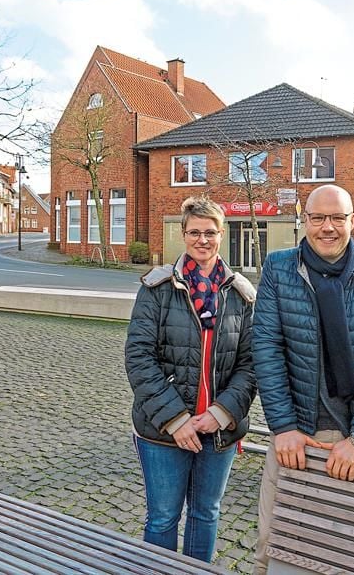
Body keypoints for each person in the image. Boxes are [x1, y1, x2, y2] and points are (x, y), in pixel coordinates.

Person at [252, 184, 354, 573]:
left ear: (353, 221)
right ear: (304, 221)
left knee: (351, 551)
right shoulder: (278, 268)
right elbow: (267, 349)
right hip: (296, 437)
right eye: (318, 217)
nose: (328, 227)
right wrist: (283, 426)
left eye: (338, 217)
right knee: (275, 547)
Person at [124, 196, 257, 563]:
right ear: (183, 234)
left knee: (205, 514)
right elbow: (139, 357)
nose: (203, 240)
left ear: (221, 234)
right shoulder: (158, 289)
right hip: (162, 431)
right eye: (195, 232)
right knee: (164, 518)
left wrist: (222, 412)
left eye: (210, 232)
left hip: (219, 431)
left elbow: (250, 365)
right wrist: (175, 419)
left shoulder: (241, 295)